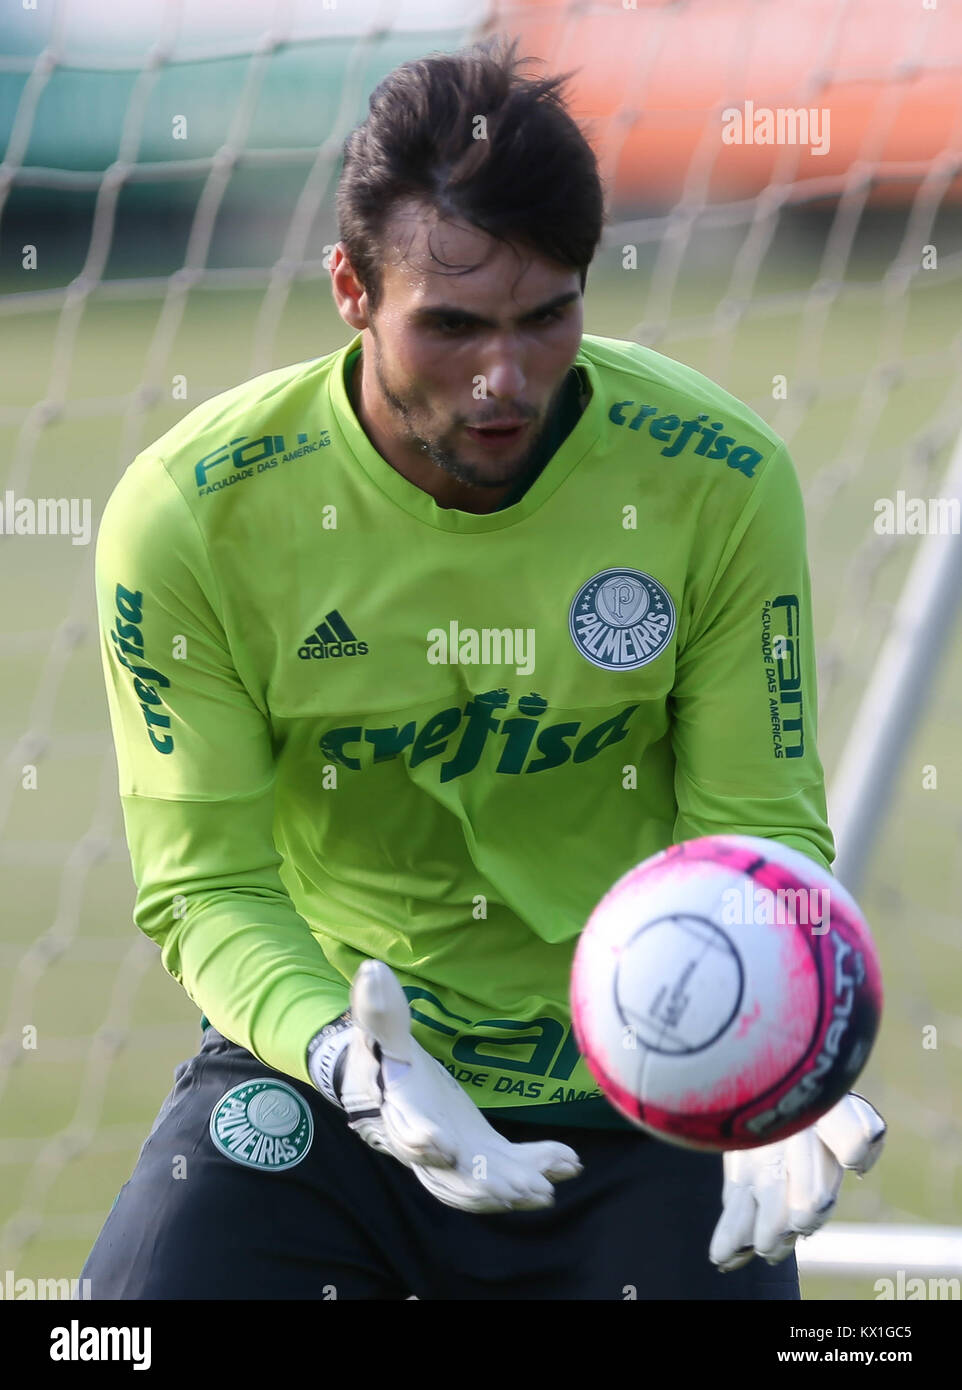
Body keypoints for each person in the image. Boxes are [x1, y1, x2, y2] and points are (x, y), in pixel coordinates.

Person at [81, 37, 884, 1301]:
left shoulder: (717, 480)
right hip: (332, 1074)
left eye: (544, 315)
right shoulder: (189, 513)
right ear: (350, 288)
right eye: (450, 325)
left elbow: (752, 827)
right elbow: (205, 888)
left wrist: (771, 1068)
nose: (502, 379)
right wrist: (353, 1062)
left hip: (649, 1079)